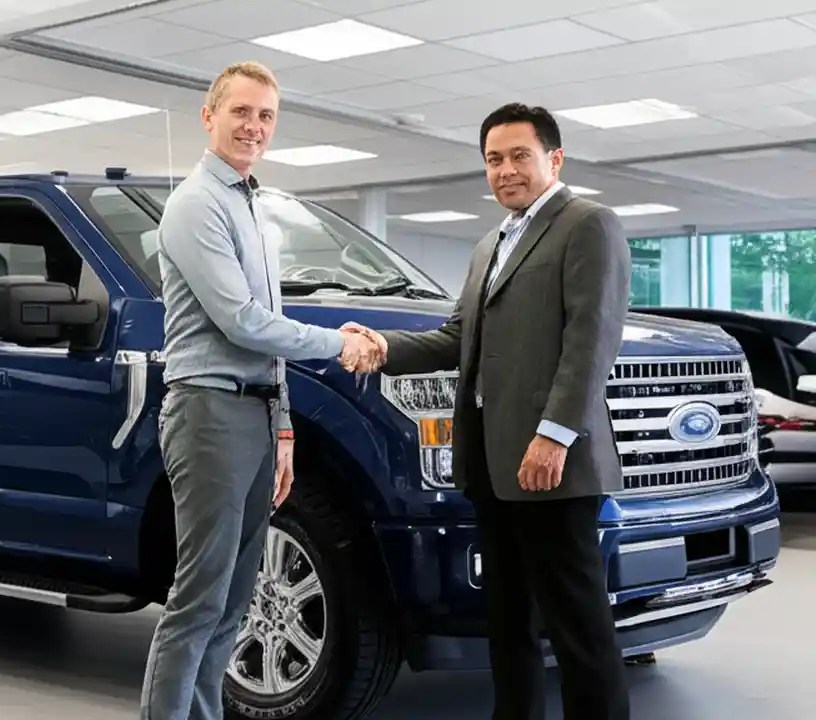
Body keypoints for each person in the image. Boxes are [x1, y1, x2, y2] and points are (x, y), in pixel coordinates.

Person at [362, 103, 632, 720]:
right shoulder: (493, 242)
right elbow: (459, 336)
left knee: (578, 627)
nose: (505, 170)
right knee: (507, 619)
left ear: (554, 158)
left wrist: (554, 436)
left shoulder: (587, 223)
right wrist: (381, 347)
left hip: (553, 463)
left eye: (519, 156)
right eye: (493, 159)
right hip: (491, 460)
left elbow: (591, 341)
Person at [138, 60, 383, 720]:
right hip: (208, 413)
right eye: (241, 111)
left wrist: (281, 426)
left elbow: (265, 332)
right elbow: (242, 321)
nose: (254, 126)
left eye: (266, 115)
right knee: (199, 600)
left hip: (248, 415)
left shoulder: (251, 206)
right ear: (209, 116)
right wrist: (340, 345)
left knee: (234, 597)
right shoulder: (196, 204)